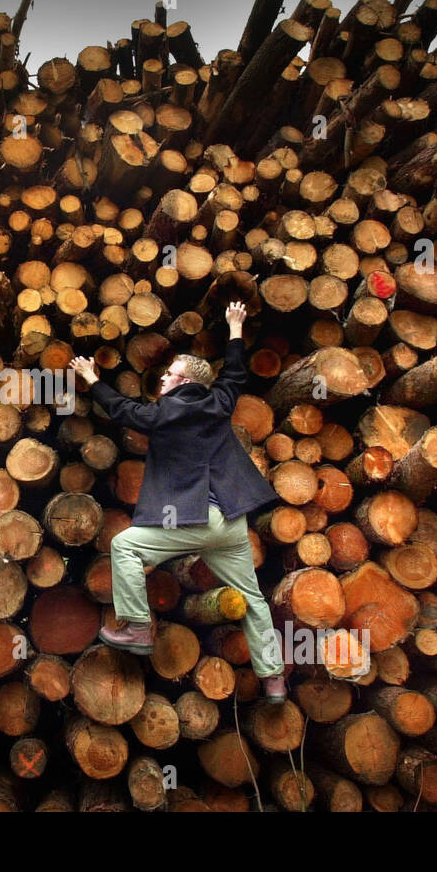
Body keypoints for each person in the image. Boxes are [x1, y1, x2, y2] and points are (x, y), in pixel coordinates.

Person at [68, 300, 288, 703]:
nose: (164, 379)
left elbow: (122, 409)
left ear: (184, 380)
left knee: (124, 546)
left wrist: (90, 376)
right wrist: (235, 328)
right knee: (254, 599)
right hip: (231, 524)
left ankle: (136, 626)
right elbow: (235, 373)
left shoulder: (166, 411)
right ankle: (273, 677)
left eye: (169, 374)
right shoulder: (220, 402)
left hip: (192, 520)